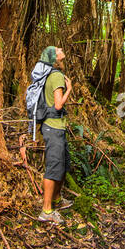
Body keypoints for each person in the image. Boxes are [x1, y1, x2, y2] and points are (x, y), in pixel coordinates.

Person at [36, 46, 73, 223]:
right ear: (54, 58)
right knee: (53, 167)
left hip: (55, 126)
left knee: (62, 164)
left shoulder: (49, 74)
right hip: (53, 127)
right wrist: (69, 90)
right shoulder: (56, 75)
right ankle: (46, 211)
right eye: (58, 49)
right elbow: (58, 105)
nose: (61, 49)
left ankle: (57, 198)